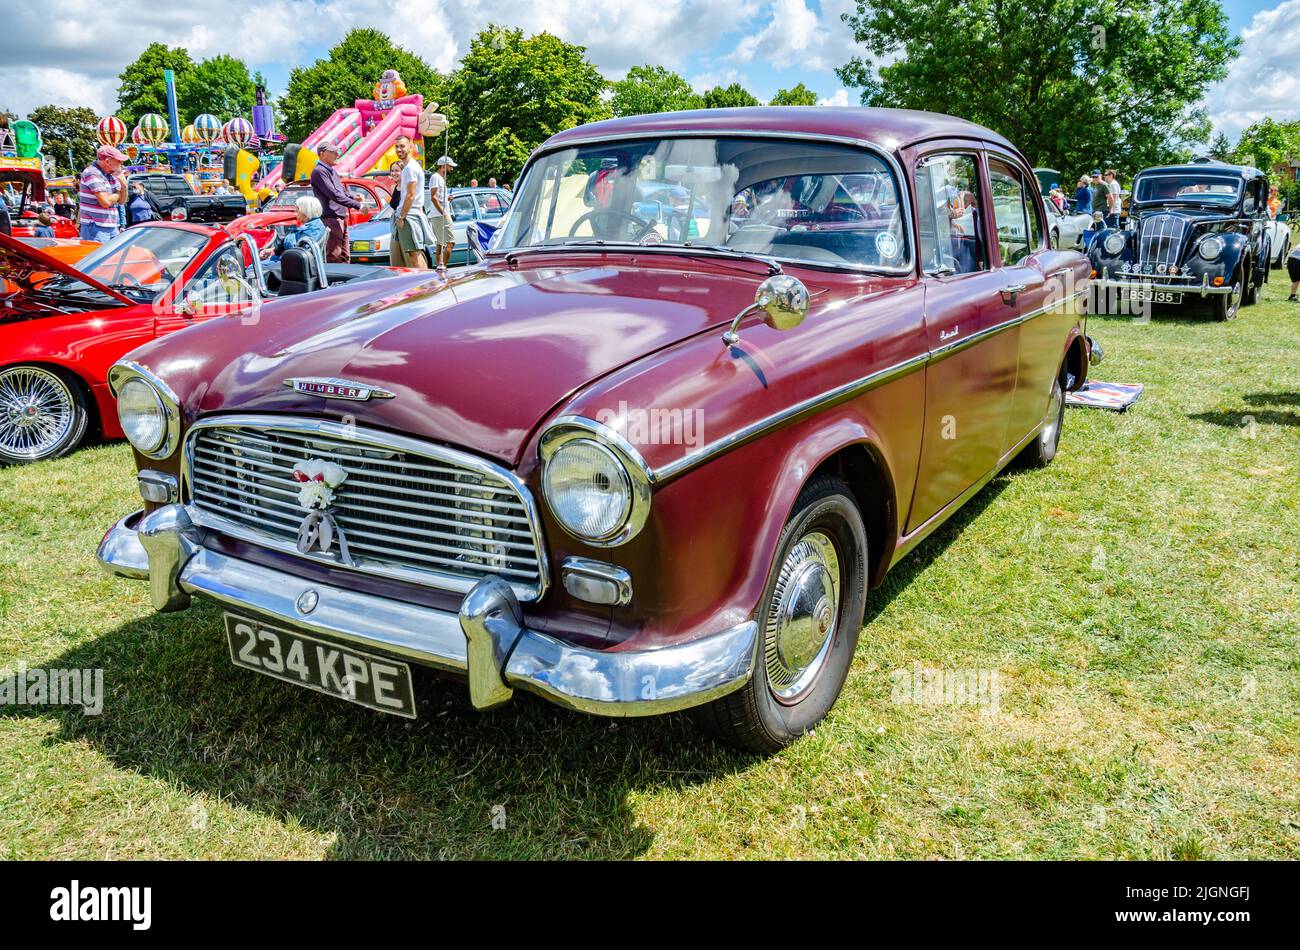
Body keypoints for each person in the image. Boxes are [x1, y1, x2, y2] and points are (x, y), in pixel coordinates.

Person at [310, 141, 362, 263]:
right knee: (334, 256)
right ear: (322, 154)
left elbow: (341, 192)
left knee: (344, 256)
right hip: (331, 219)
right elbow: (334, 194)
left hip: (339, 218)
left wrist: (354, 197)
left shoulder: (331, 171)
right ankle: (335, 282)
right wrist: (357, 205)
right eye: (333, 152)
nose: (337, 154)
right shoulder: (319, 171)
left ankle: (345, 282)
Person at [389, 135, 431, 269]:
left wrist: (401, 217)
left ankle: (424, 285)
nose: (399, 149)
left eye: (402, 146)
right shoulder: (411, 167)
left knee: (414, 256)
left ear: (410, 146)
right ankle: (425, 283)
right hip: (411, 214)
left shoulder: (409, 168)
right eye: (397, 146)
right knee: (414, 254)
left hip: (410, 216)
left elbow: (410, 195)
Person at [78, 144, 130, 242]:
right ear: (107, 161)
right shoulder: (92, 173)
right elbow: (105, 202)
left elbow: (122, 201)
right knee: (97, 256)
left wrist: (124, 185)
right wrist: (118, 194)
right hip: (95, 227)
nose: (121, 163)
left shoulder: (111, 174)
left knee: (113, 256)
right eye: (118, 161)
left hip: (111, 225)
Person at [260, 194, 327, 259]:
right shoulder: (312, 224)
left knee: (252, 269)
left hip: (291, 263)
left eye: (298, 208)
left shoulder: (314, 228)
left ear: (306, 210)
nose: (295, 210)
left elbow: (300, 252)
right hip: (287, 259)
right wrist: (273, 251)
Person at [427, 154, 457, 274]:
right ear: (443, 166)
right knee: (450, 242)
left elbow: (437, 197)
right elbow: (433, 197)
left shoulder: (438, 178)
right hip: (440, 215)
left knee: (440, 244)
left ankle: (440, 267)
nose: (452, 169)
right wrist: (443, 212)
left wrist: (446, 199)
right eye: (450, 166)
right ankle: (443, 267)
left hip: (438, 215)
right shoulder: (436, 177)